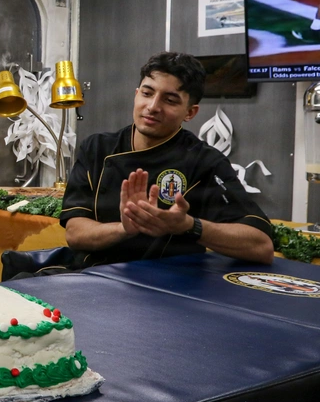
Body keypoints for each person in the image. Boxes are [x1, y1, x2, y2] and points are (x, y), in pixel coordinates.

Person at [60, 51, 274, 268]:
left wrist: (189, 225)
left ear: (190, 112)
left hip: (165, 287)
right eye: (146, 93)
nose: (152, 107)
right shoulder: (97, 148)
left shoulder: (205, 162)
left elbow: (261, 246)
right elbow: (75, 234)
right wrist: (126, 228)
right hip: (89, 277)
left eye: (170, 100)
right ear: (136, 95)